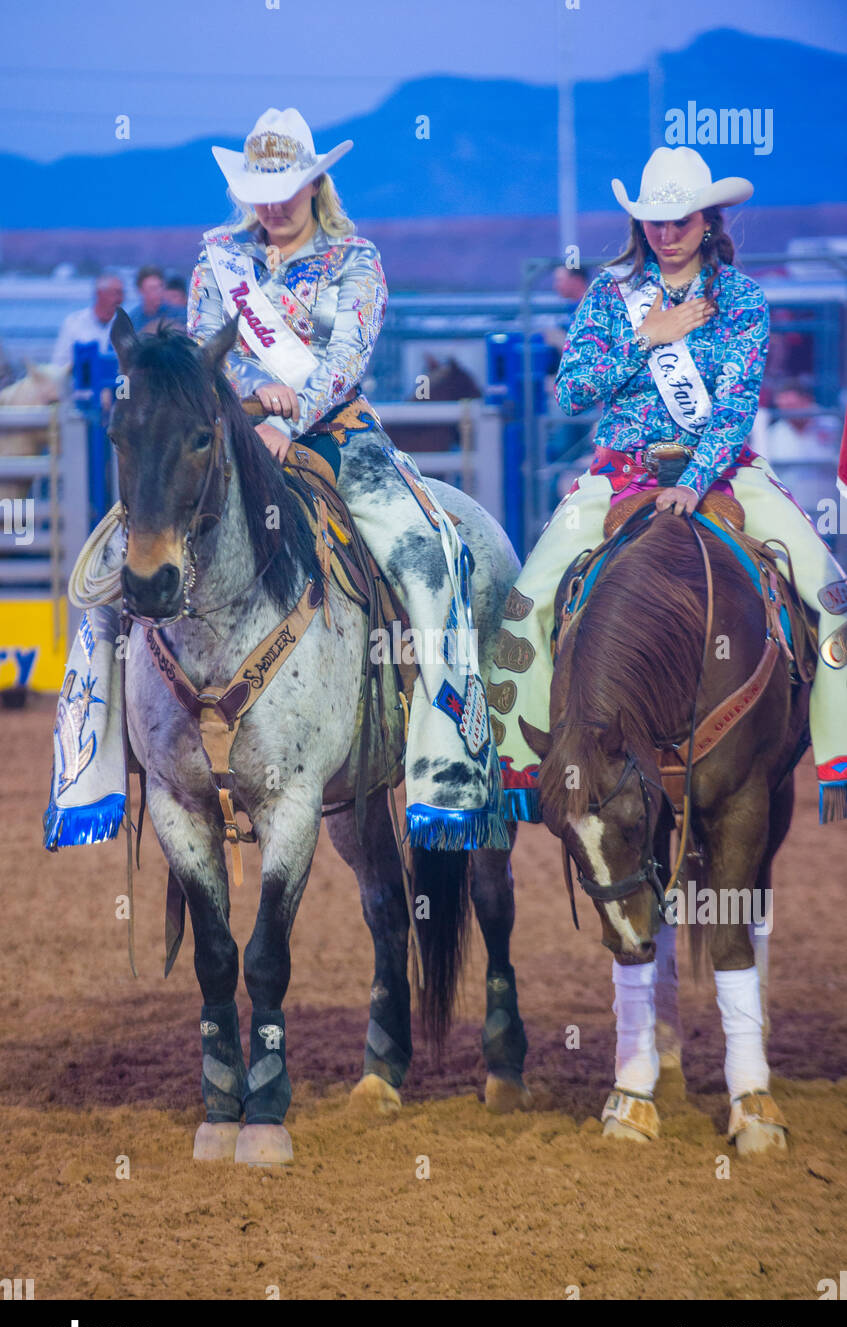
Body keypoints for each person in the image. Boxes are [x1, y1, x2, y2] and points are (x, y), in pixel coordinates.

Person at [44, 108, 506, 854]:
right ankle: (88, 769)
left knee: (429, 552)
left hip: (338, 439)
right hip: (229, 442)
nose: (273, 202)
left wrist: (289, 419)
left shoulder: (355, 260)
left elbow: (346, 356)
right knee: (105, 574)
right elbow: (199, 361)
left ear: (315, 182)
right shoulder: (216, 261)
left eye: (286, 185)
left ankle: (446, 752)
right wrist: (253, 411)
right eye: (260, 188)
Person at [490, 146, 847, 824]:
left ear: (707, 221)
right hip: (618, 469)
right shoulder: (610, 295)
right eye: (654, 220)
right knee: (523, 602)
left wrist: (697, 478)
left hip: (723, 469)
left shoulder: (741, 299)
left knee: (827, 589)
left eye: (679, 219)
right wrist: (646, 337)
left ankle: (836, 750)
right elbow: (571, 391)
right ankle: (527, 762)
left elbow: (738, 403)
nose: (666, 232)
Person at [51, 275, 124, 369]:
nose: (120, 299)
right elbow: (59, 363)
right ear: (100, 294)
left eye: (122, 294)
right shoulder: (74, 322)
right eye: (116, 293)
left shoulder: (126, 325)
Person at [129, 266, 183, 333]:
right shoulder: (133, 320)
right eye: (152, 288)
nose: (158, 292)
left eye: (160, 286)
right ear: (141, 290)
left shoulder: (178, 315)